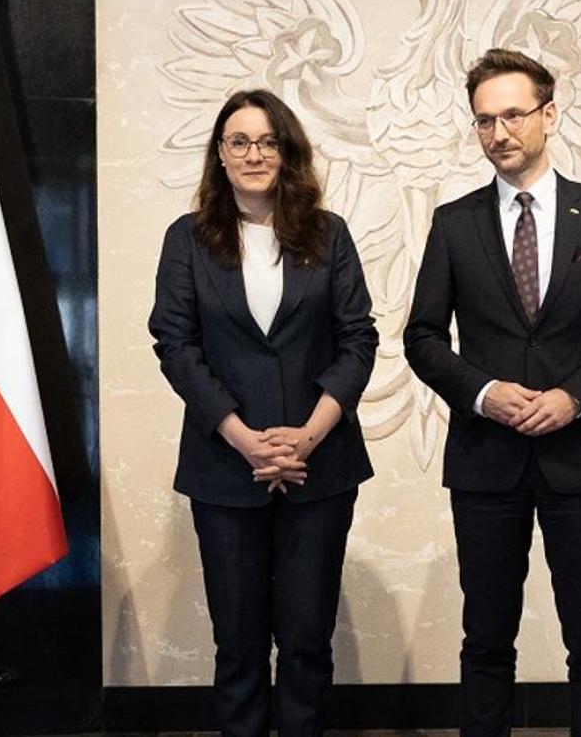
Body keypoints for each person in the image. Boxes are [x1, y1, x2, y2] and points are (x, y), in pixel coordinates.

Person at [404, 48, 581, 735]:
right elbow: (422, 337)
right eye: (484, 120)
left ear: (549, 115)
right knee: (486, 640)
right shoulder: (454, 223)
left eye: (513, 115)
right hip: (485, 462)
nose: (499, 133)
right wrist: (483, 391)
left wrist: (574, 397)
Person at [149, 89, 376, 736]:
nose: (254, 154)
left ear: (287, 152)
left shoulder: (329, 234)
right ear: (219, 155)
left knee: (306, 644)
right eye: (240, 141)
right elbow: (175, 344)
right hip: (225, 469)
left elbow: (359, 339)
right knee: (239, 646)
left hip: (320, 469)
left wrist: (308, 436)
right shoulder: (187, 239)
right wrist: (244, 437)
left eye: (268, 141)